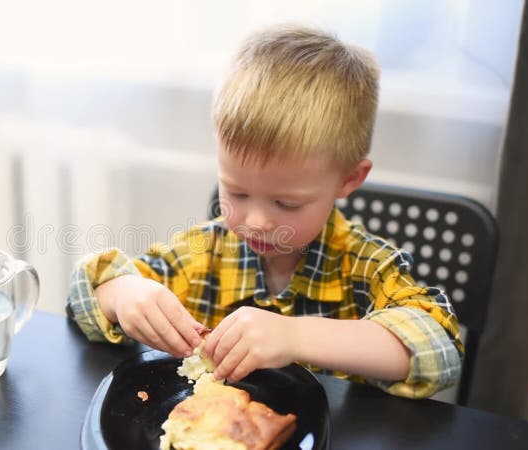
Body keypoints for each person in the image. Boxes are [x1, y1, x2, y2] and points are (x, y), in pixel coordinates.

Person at [66, 24, 462, 399]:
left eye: (286, 203)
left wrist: (297, 338)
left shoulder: (362, 266)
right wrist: (123, 294)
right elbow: (84, 295)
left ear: (348, 179)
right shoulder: (204, 253)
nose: (255, 220)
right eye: (236, 192)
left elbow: (439, 347)